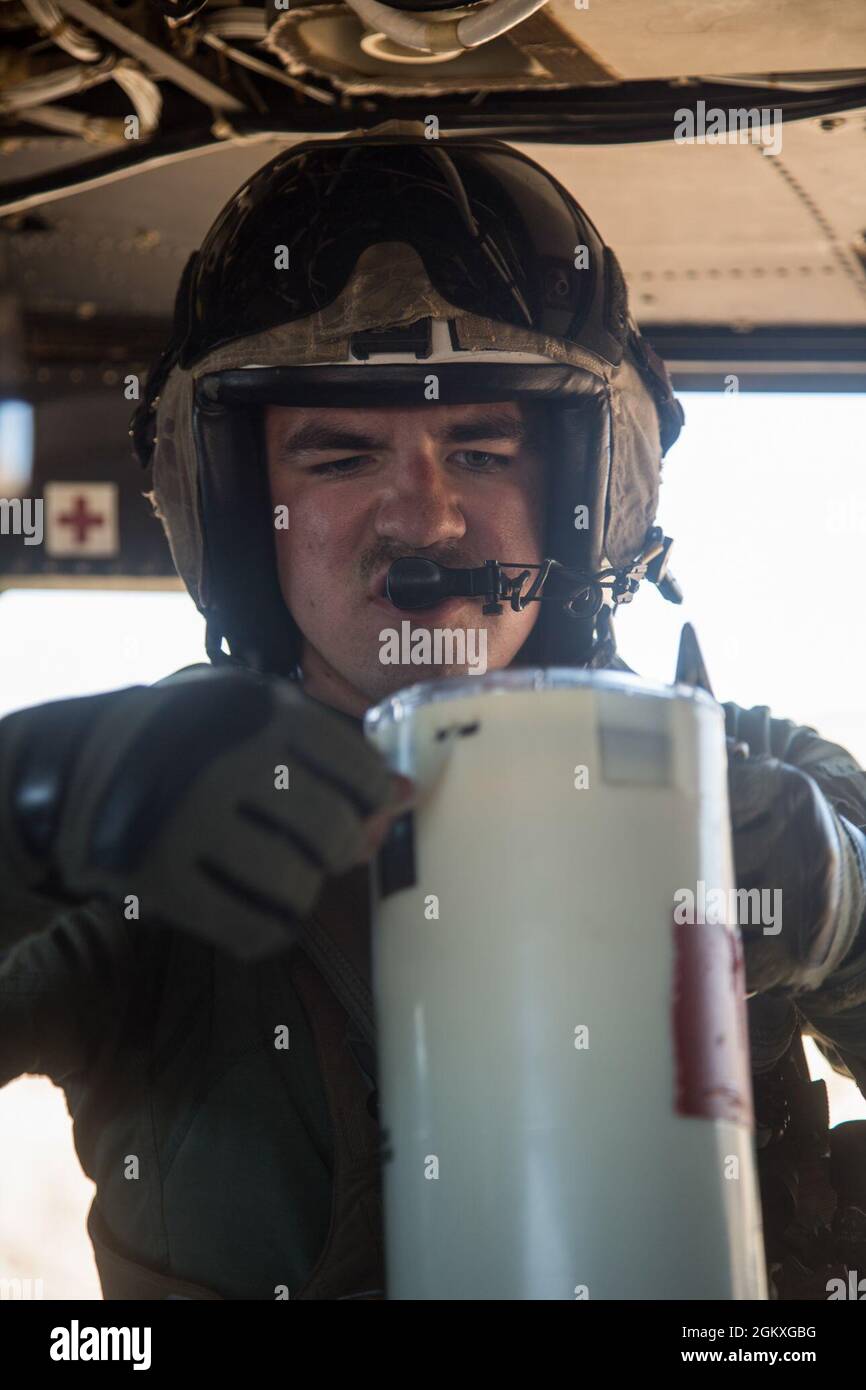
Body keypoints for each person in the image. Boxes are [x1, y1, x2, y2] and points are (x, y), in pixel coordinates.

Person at [2, 125, 866, 1301]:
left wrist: (839, 904)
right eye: (341, 455)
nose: (425, 520)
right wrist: (37, 809)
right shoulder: (143, 828)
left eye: (479, 446)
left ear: (579, 493)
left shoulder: (747, 779)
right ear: (246, 511)